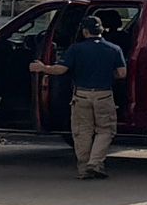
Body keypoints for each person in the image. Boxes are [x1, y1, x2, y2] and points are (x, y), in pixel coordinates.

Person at [29, 15, 127, 179]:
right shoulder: (114, 49)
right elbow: (122, 73)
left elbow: (61, 70)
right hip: (104, 95)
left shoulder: (75, 49)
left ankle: (83, 169)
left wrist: (42, 68)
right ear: (101, 30)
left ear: (85, 31)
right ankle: (95, 164)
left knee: (82, 133)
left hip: (81, 95)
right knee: (105, 130)